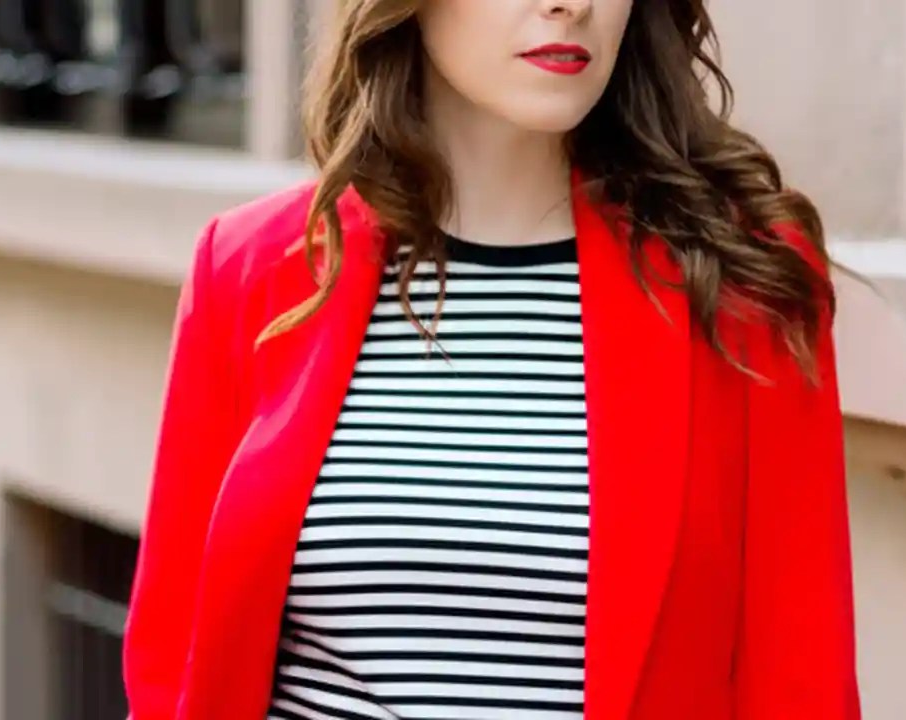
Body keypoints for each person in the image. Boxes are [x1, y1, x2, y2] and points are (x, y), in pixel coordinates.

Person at [122, 1, 860, 718]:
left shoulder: (738, 283)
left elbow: (800, 682)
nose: (569, 7)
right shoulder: (251, 268)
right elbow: (170, 664)